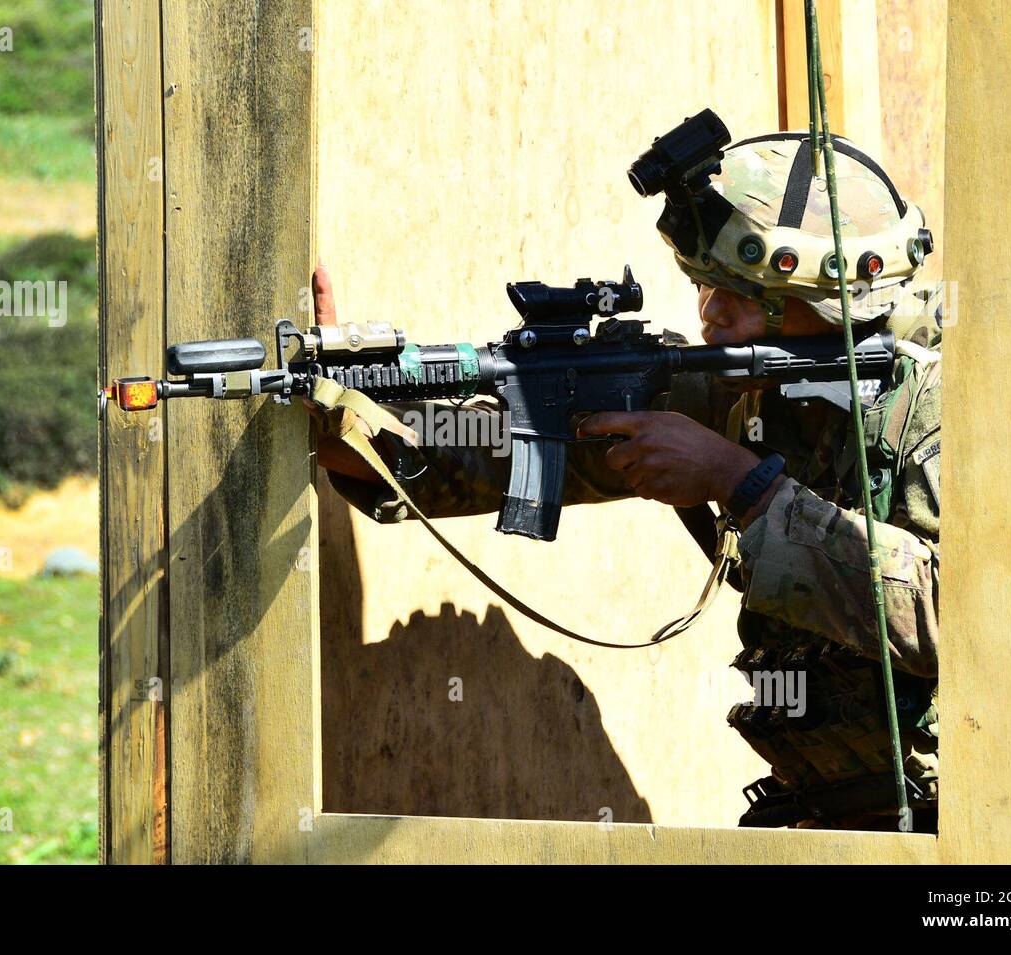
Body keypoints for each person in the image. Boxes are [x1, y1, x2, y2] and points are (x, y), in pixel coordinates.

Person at [307, 128, 943, 832]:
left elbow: (953, 617)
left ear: (828, 300)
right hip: (818, 822)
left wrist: (742, 483)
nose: (709, 314)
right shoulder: (736, 396)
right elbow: (506, 447)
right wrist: (358, 420)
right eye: (703, 285)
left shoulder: (943, 407)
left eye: (740, 294)